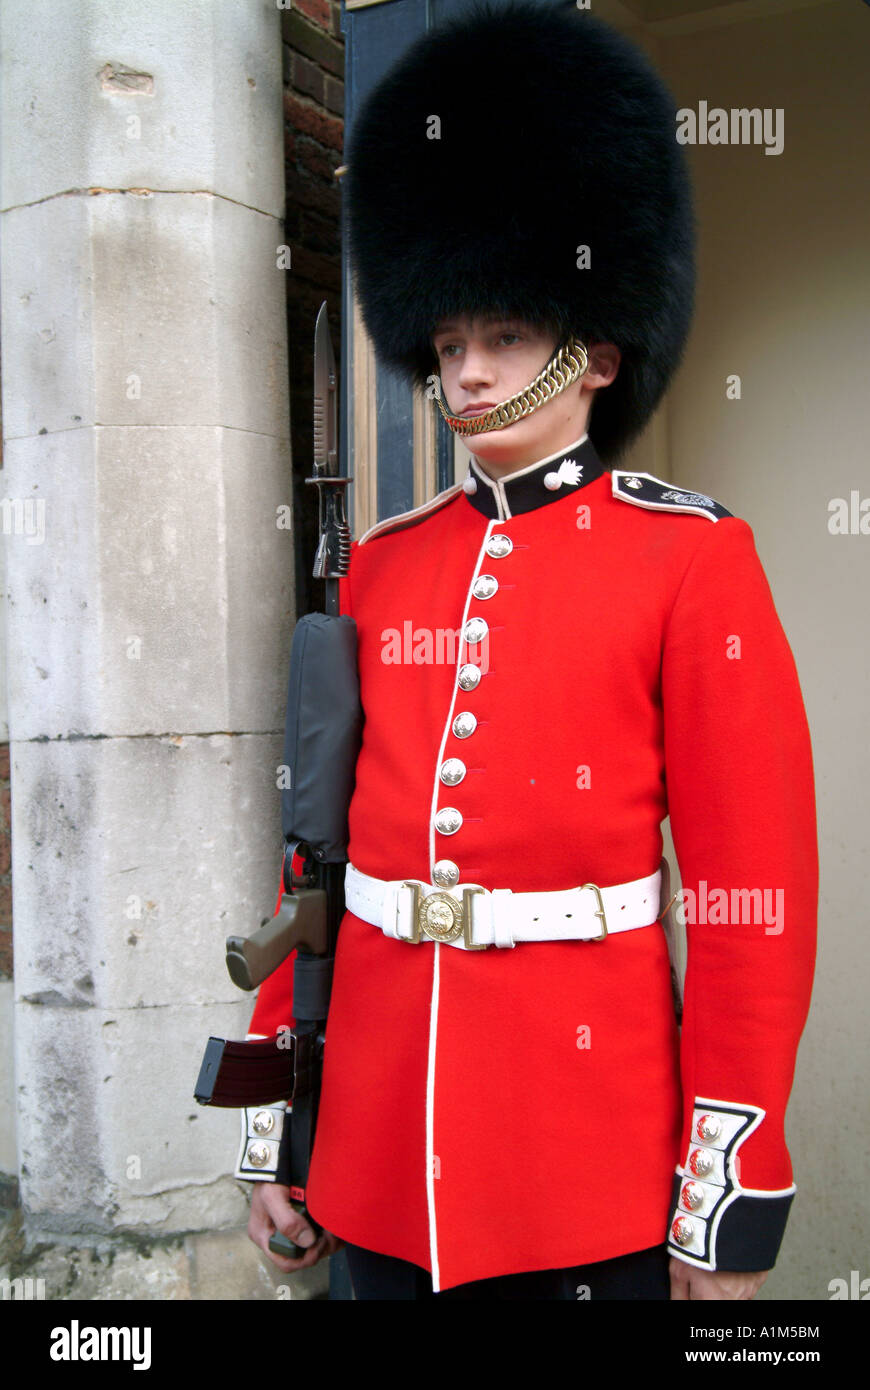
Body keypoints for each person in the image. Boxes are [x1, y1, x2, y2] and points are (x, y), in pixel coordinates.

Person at [236, 1, 818, 1300]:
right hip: (376, 1149)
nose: (467, 375)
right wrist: (280, 1111)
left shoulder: (691, 558)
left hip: (583, 1165)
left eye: (501, 337)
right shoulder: (385, 566)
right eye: (448, 343)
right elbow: (314, 860)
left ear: (596, 351)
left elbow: (747, 908)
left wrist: (719, 1194)